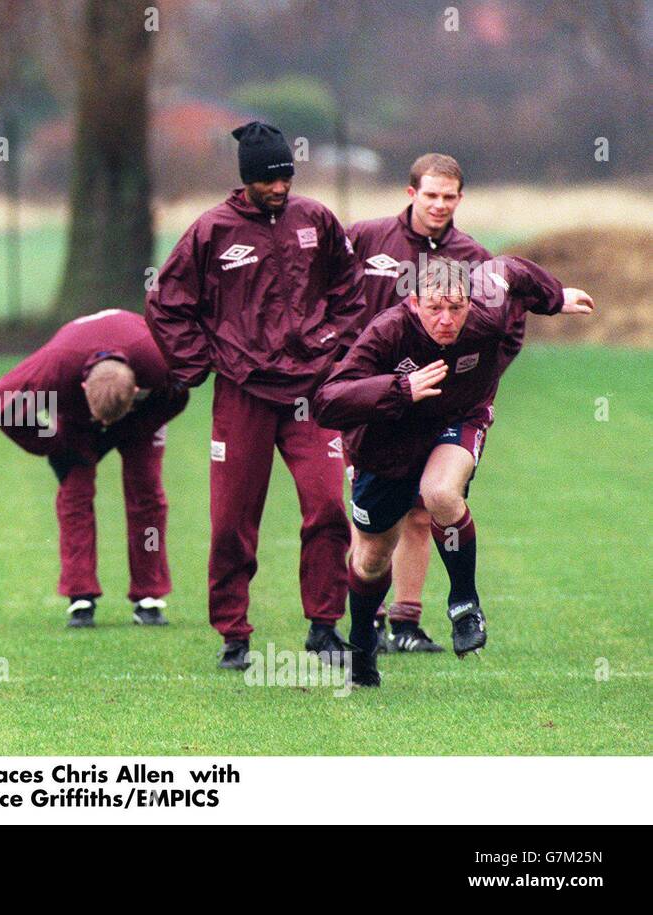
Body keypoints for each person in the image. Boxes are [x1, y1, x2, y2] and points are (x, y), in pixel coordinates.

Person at [146, 121, 367, 671]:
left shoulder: (315, 219)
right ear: (247, 180)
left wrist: (331, 347)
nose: (281, 188)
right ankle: (234, 633)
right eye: (270, 180)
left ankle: (324, 627)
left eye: (287, 177)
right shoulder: (211, 232)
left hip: (313, 393)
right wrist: (203, 362)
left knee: (327, 507)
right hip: (244, 394)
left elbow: (350, 288)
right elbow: (167, 304)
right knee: (232, 520)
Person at [311, 255, 593, 686]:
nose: (447, 319)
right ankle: (362, 649)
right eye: (436, 308)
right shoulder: (388, 331)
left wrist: (553, 297)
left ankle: (464, 604)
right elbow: (328, 400)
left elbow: (511, 267)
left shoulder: (487, 310)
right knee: (371, 558)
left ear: (470, 302)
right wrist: (399, 389)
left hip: (459, 418)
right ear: (414, 301)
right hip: (388, 443)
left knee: (441, 493)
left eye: (456, 308)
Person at [347, 153, 492, 653]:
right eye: (430, 194)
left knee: (427, 505)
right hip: (373, 398)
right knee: (373, 522)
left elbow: (499, 325)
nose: (439, 204)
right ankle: (370, 619)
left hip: (439, 402)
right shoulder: (366, 237)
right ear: (411, 194)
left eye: (449, 196)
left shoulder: (472, 255)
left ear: (460, 199)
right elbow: (325, 291)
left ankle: (406, 623)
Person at [0, 309, 188, 627]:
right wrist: (51, 445)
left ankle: (148, 596)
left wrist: (131, 427)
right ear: (82, 389)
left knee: (146, 492)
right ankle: (81, 597)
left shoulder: (157, 360)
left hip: (140, 418)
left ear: (137, 389)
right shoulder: (56, 365)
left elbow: (179, 393)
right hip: (77, 421)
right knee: (75, 495)